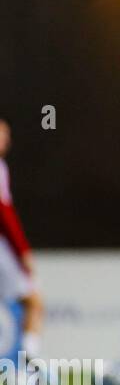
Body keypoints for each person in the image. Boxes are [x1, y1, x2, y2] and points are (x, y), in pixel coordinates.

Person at [0, 120, 42, 365]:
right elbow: (4, 212)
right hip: (4, 248)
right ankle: (31, 363)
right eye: (2, 135)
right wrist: (23, 251)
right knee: (35, 302)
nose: (7, 140)